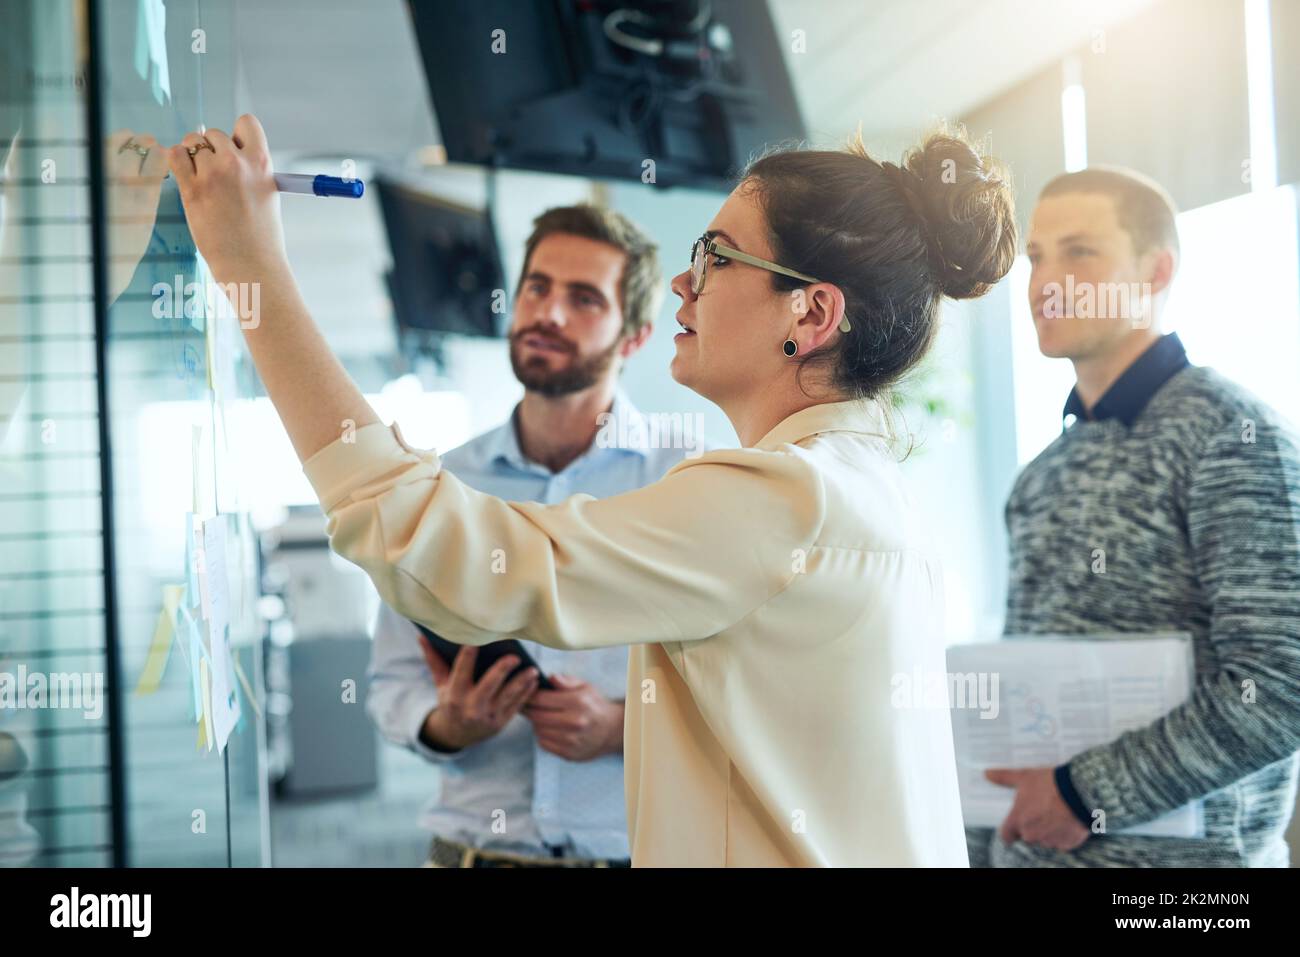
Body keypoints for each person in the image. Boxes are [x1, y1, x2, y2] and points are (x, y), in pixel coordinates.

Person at [168, 114, 1016, 866]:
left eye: (715, 256)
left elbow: (432, 553)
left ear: (812, 315)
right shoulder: (867, 487)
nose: (688, 281)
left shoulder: (779, 499)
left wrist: (252, 267)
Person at [968, 167, 1300, 867]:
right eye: (1036, 256)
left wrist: (1086, 793)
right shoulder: (1040, 475)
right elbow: (1021, 685)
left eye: (1079, 251)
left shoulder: (1235, 435)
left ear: (1156, 271)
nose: (1043, 282)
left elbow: (1281, 681)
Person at [368, 204, 700, 868]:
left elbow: (742, 692)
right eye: (537, 288)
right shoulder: (445, 487)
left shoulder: (687, 483)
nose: (548, 313)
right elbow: (391, 678)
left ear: (634, 336)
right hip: (472, 852)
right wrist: (445, 725)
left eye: (583, 299)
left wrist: (620, 727)